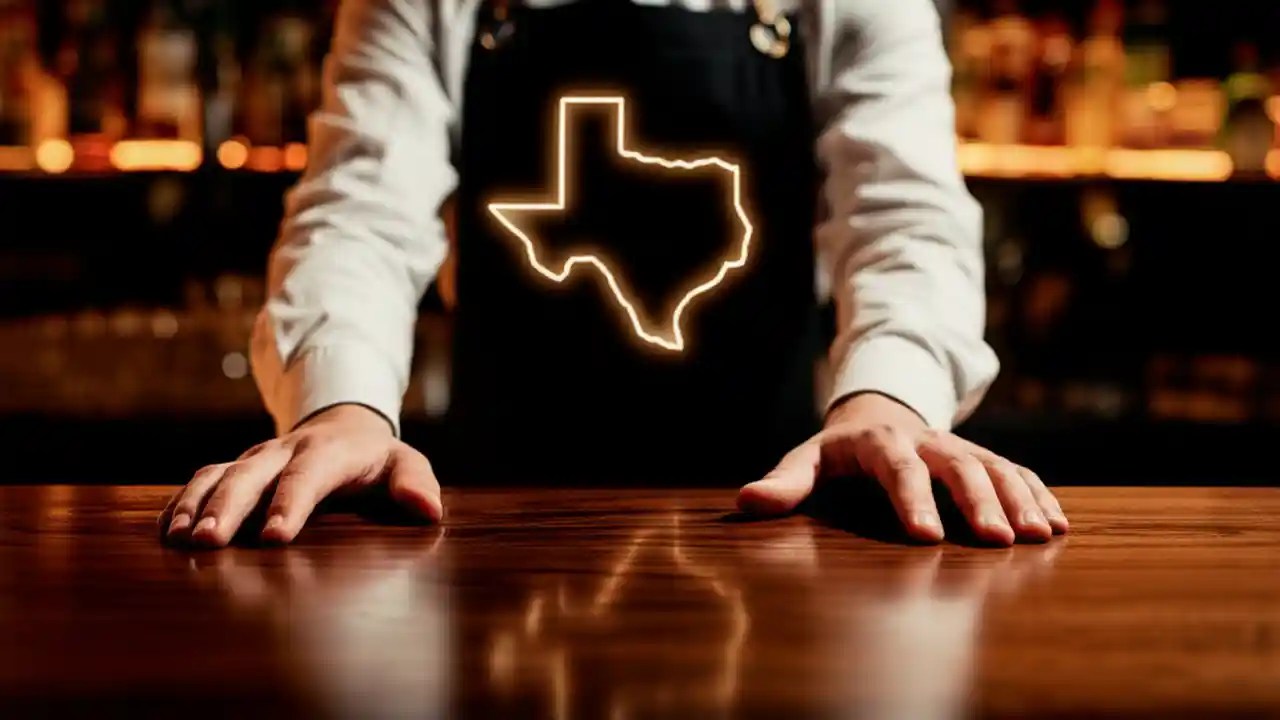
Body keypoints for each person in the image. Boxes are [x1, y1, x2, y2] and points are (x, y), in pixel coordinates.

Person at [158, 0, 1069, 548]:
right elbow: (361, 204)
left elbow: (902, 214)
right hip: (486, 534)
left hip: (778, 524)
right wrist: (341, 407)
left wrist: (890, 406)